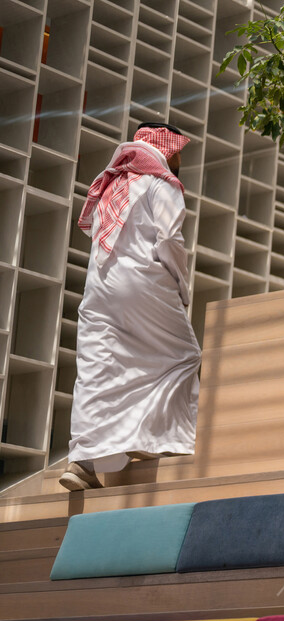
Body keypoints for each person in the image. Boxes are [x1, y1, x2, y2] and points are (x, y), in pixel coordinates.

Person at [59, 122, 201, 491]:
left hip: (99, 287)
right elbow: (169, 240)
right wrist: (181, 285)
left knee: (99, 369)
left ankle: (81, 463)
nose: (179, 157)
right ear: (167, 148)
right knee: (183, 356)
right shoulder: (162, 183)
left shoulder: (112, 184)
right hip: (143, 283)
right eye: (178, 150)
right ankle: (157, 438)